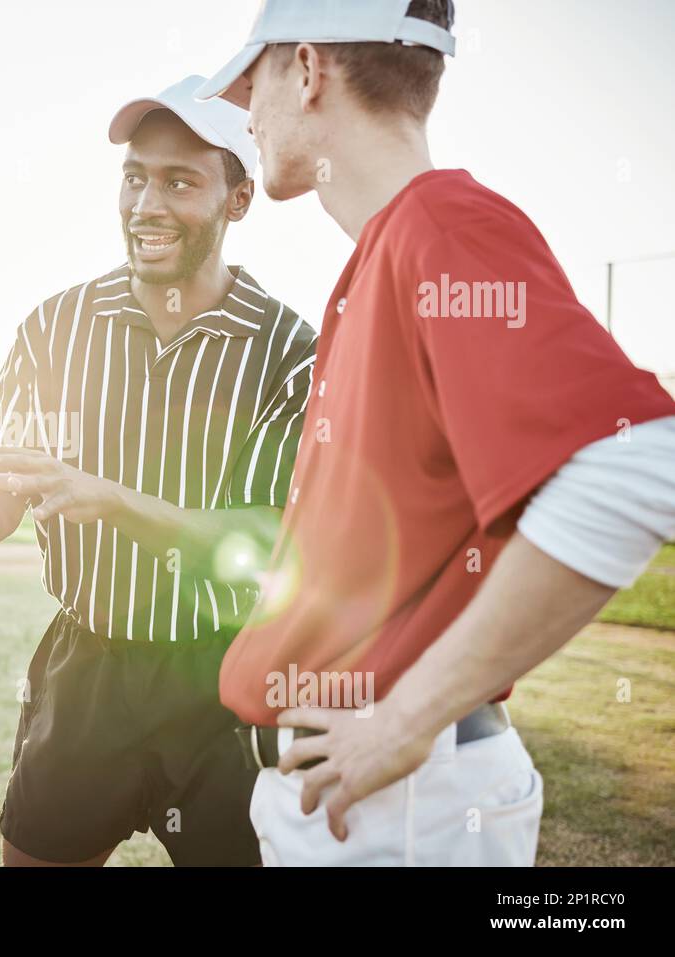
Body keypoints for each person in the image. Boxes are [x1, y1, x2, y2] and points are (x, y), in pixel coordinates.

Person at [197, 0, 675, 865]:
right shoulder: (393, 246)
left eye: (252, 78)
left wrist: (406, 718)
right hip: (361, 802)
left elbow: (643, 461)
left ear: (307, 69)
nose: (244, 112)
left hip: (397, 807)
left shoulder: (442, 226)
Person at [0, 76, 316, 866]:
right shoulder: (56, 327)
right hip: (86, 670)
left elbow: (263, 544)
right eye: (135, 177)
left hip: (222, 681)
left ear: (238, 201)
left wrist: (114, 501)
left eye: (180, 181)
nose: (146, 203)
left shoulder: (287, 352)